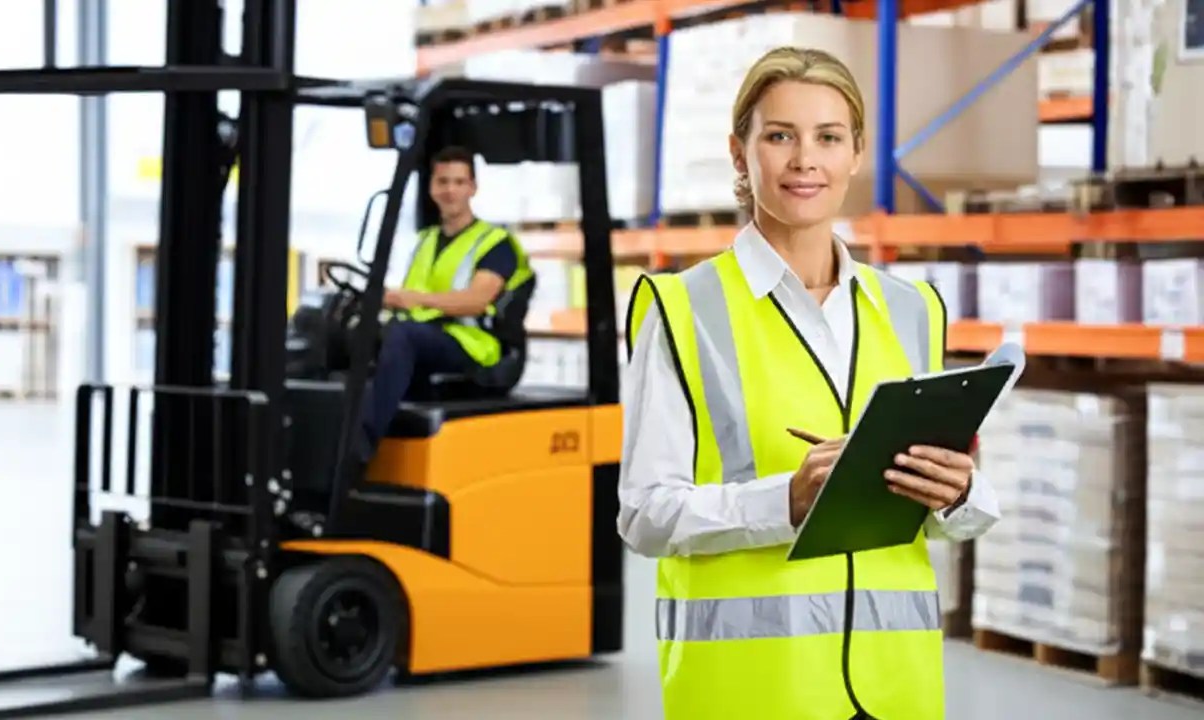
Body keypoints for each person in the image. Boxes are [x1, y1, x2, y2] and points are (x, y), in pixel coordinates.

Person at [617, 47, 1002, 720]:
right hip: (753, 691)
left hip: (894, 689)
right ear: (740, 154)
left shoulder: (913, 309)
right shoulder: (683, 309)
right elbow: (644, 515)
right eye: (779, 136)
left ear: (855, 153)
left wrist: (961, 491)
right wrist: (785, 501)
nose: (805, 160)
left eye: (828, 137)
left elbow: (952, 516)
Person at [355, 145, 533, 461]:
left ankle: (359, 450)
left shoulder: (495, 242)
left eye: (459, 182)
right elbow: (413, 297)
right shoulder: (425, 241)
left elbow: (477, 300)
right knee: (350, 335)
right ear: (431, 188)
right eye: (443, 182)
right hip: (432, 340)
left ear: (473, 188)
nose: (450, 190)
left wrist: (414, 300)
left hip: (477, 348)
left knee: (403, 335)